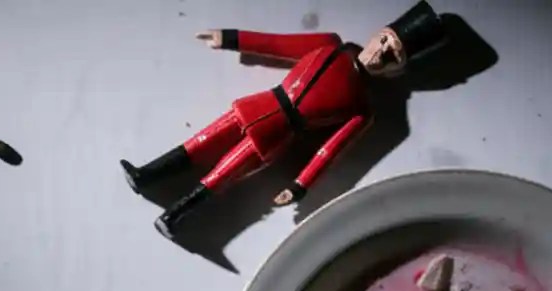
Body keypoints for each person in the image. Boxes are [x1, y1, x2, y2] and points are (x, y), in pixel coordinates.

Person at [120, 2, 446, 239]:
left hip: (281, 131)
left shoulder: (363, 109)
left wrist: (300, 186)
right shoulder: (328, 44)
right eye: (386, 42)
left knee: (224, 173)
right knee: (200, 142)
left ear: (396, 71)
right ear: (379, 33)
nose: (381, 54)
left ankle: (175, 216)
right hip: (264, 102)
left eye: (393, 56)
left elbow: (328, 152)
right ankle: (147, 175)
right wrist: (232, 38)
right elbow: (277, 44)